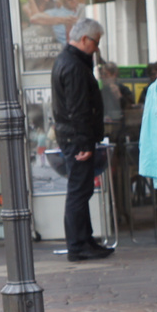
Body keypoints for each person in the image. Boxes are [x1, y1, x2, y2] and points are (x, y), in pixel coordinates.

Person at [51, 18, 112, 260]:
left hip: (74, 137)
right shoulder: (74, 66)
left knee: (82, 190)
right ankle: (78, 245)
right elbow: (78, 109)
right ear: (85, 39)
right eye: (96, 42)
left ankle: (85, 240)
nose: (97, 48)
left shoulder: (69, 61)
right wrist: (85, 143)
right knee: (78, 191)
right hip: (76, 139)